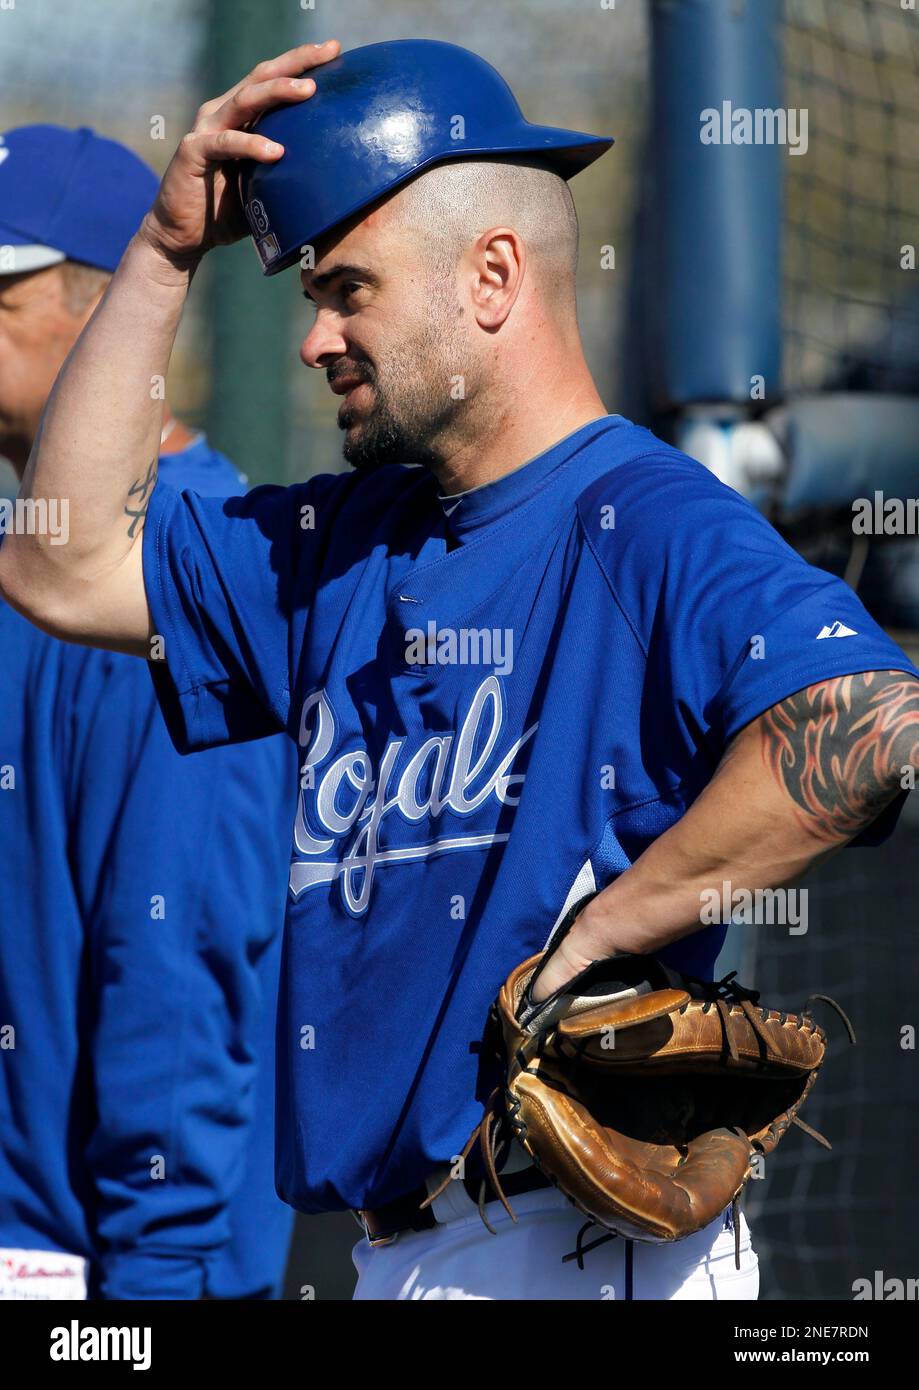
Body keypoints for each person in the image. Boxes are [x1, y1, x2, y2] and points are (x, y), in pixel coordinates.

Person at [1, 40, 917, 1301]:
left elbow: (870, 723)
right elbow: (60, 564)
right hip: (409, 1251)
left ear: (492, 275)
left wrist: (605, 930)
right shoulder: (341, 543)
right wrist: (161, 256)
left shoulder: (644, 519)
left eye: (348, 291)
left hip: (579, 1242)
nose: (315, 338)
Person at [0, 125, 294, 1300]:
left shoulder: (191, 566)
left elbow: (177, 960)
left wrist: (158, 1286)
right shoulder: (33, 560)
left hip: (105, 1276)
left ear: (99, 306)